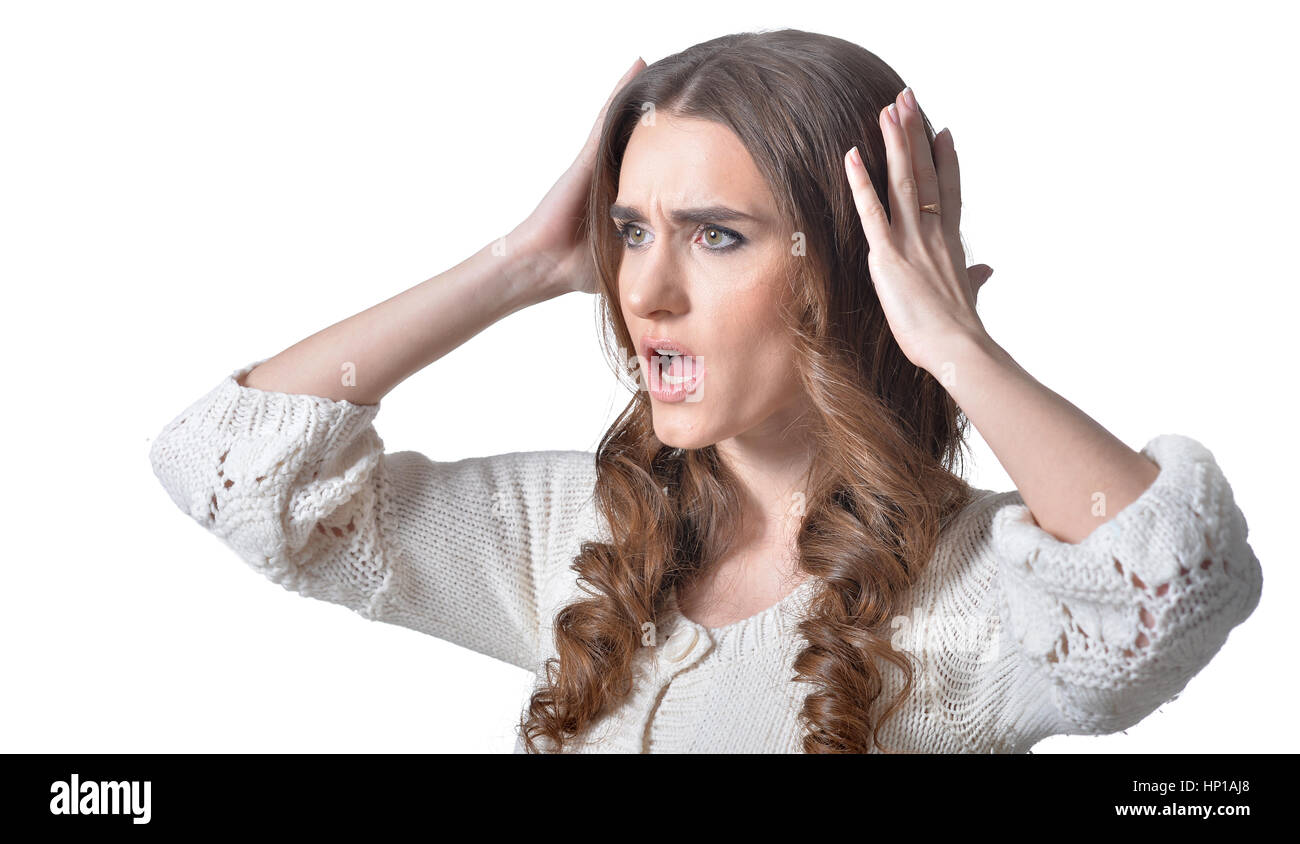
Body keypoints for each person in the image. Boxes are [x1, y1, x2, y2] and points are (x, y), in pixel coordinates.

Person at [148, 29, 1263, 753]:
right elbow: (231, 466)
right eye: (630, 231)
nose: (645, 288)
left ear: (849, 263)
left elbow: (1174, 588)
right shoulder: (572, 536)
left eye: (714, 236)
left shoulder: (971, 593)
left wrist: (956, 345)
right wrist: (518, 265)